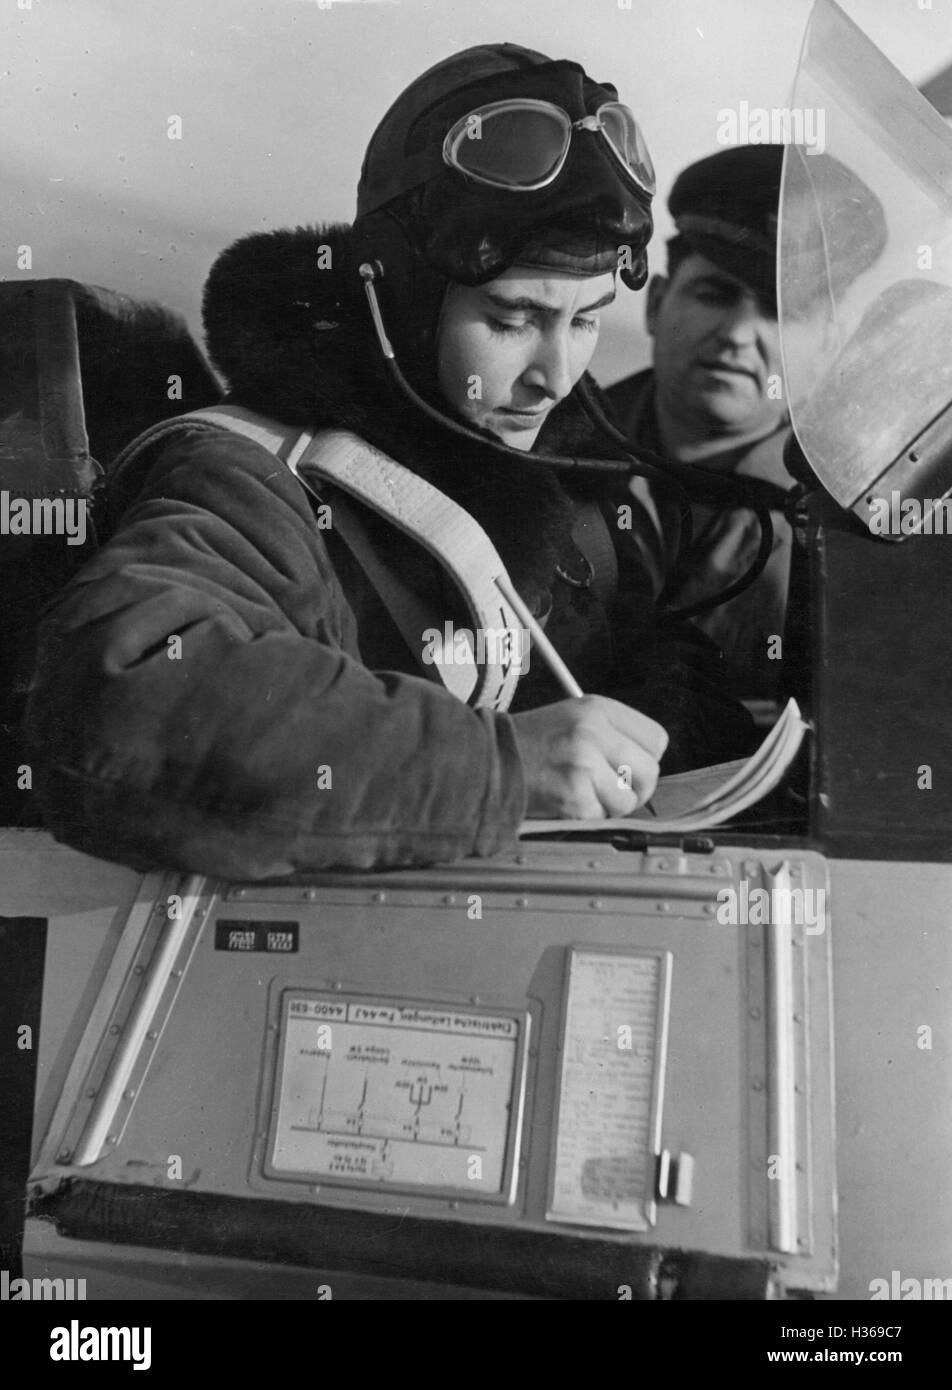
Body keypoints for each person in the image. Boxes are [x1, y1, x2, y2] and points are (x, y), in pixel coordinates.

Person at [24, 43, 753, 880]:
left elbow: (641, 667)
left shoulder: (548, 484)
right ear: (397, 296)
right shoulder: (255, 477)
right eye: (514, 318)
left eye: (585, 320)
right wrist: (499, 770)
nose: (555, 376)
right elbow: (124, 698)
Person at [607, 144, 887, 701]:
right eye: (715, 294)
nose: (738, 334)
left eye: (780, 312)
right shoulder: (541, 451)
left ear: (830, 341)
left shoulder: (857, 519)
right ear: (657, 303)